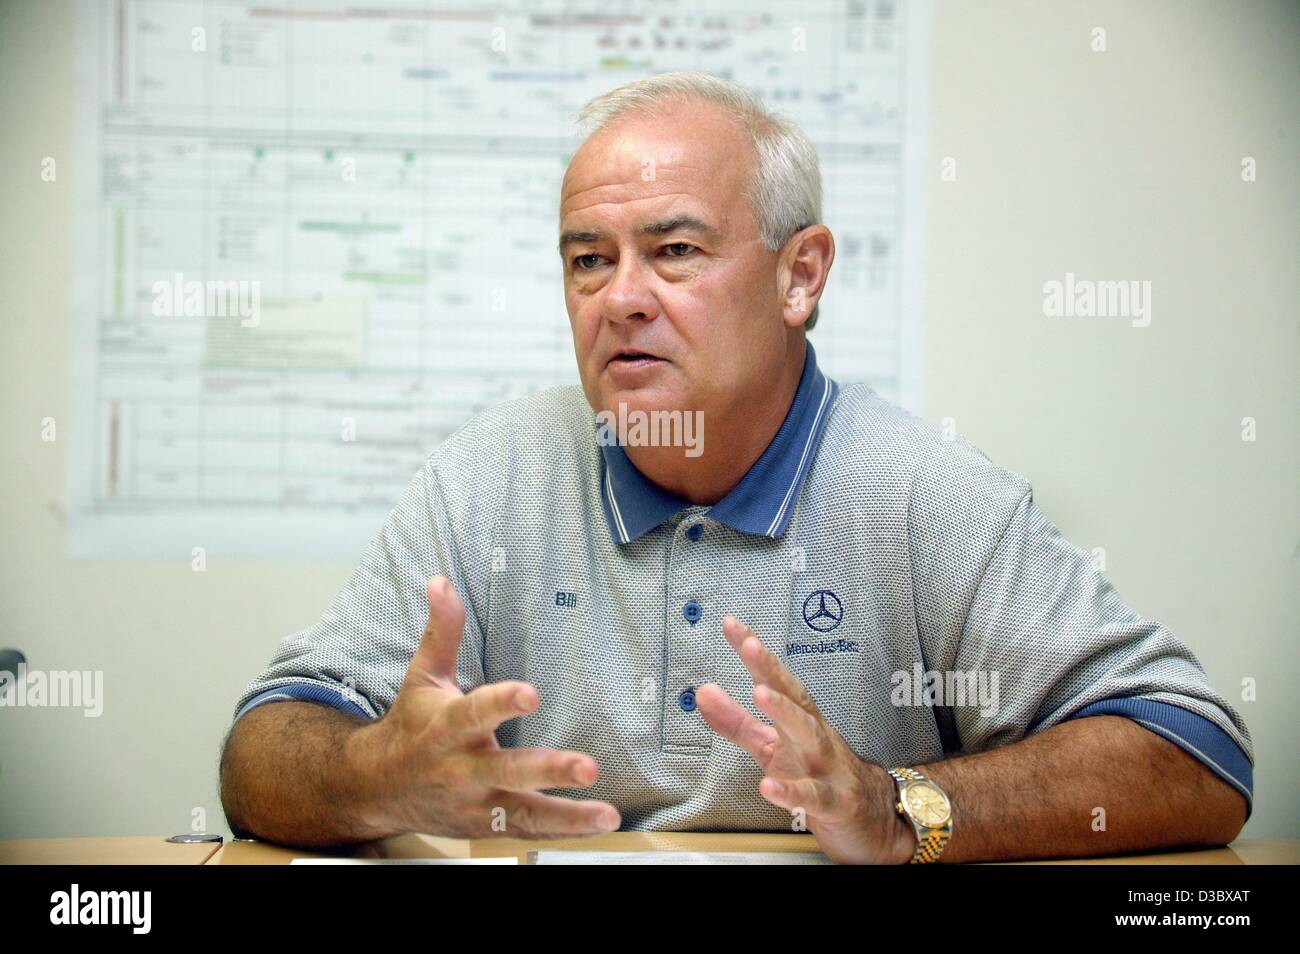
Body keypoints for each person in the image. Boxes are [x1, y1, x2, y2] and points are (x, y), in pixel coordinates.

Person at [219, 71, 1252, 863]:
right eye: (588, 260)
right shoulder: (490, 478)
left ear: (799, 275)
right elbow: (262, 749)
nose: (619, 297)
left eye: (673, 252)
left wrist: (901, 810)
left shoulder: (916, 492)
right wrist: (373, 776)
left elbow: (1193, 751)